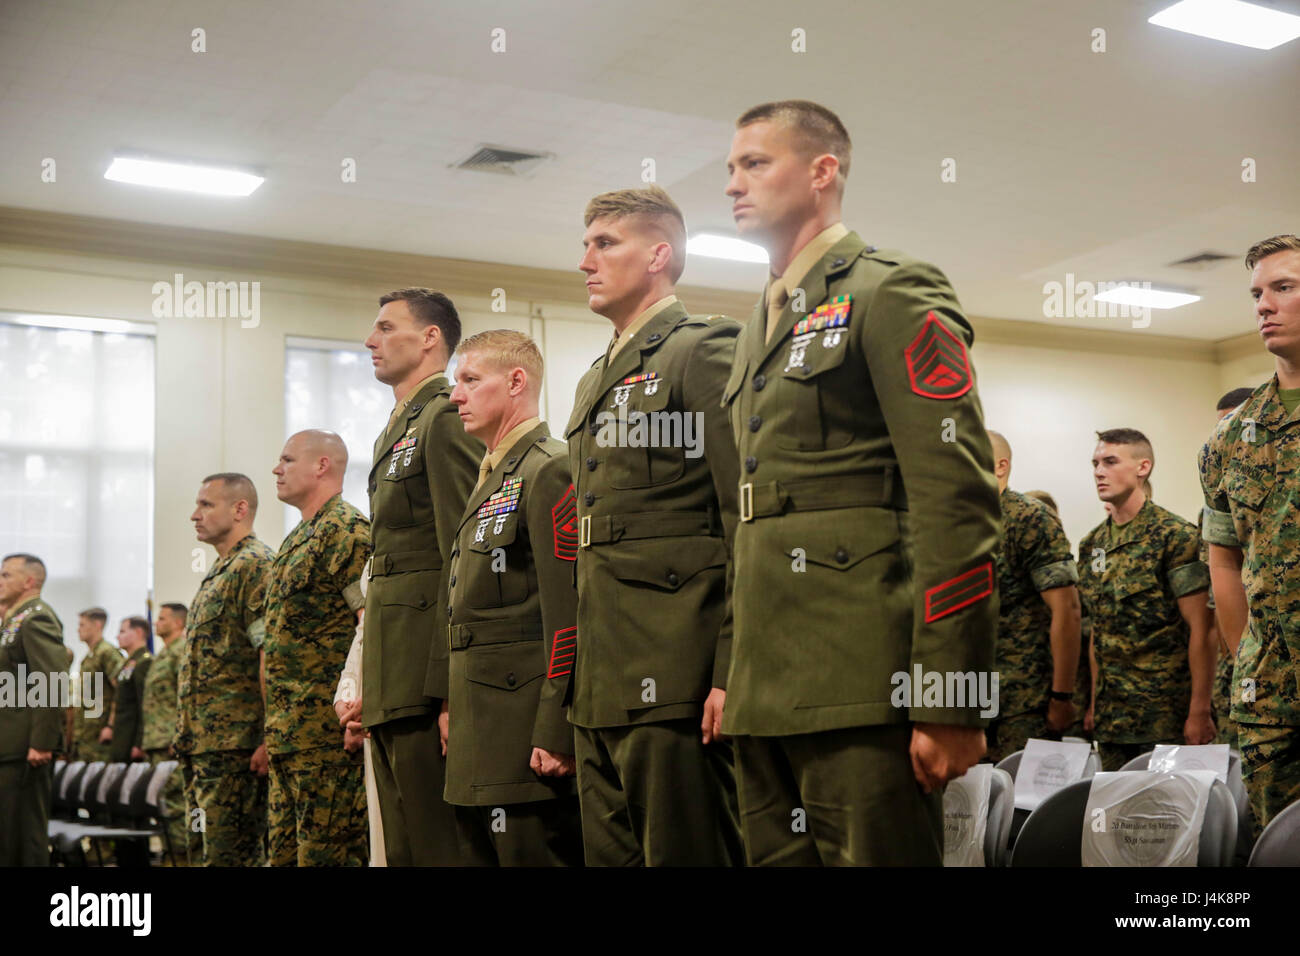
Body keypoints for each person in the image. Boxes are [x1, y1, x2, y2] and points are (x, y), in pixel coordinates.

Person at [719, 100, 999, 865]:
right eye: (730, 168)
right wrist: (730, 676)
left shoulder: (891, 291)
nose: (734, 184)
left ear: (822, 171)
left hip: (865, 677)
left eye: (755, 163)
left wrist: (952, 695)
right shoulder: (756, 327)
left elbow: (958, 500)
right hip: (764, 691)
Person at [566, 185, 744, 866]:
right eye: (586, 245)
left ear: (659, 255)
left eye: (605, 243)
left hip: (676, 671)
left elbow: (742, 516)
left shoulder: (700, 349)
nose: (586, 261)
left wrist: (731, 671)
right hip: (602, 677)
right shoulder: (595, 379)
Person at [442, 330, 584, 865]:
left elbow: (565, 610)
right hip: (481, 728)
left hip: (525, 732)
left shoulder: (548, 467)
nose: (457, 395)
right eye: (458, 381)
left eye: (471, 380)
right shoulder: (491, 476)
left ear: (516, 382)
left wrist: (556, 727)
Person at [361, 288, 482, 865]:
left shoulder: (444, 417)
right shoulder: (398, 427)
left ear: (431, 337)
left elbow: (462, 558)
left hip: (422, 670)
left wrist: (448, 688)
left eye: (386, 328)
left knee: (436, 845)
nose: (371, 340)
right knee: (404, 843)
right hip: (392, 668)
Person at [1200, 234, 1300, 832]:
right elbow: (1223, 562)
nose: (1264, 304)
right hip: (1272, 706)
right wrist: (1248, 663)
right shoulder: (1231, 437)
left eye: (1284, 288)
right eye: (1257, 293)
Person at [262, 429, 370, 866]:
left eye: (287, 459)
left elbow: (370, 625)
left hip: (327, 740)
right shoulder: (294, 540)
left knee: (329, 859)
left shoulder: (345, 532)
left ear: (321, 466)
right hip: (288, 739)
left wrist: (359, 707)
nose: (277, 468)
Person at [1079, 429, 1214, 771]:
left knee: (1163, 818)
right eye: (1095, 463)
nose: (1099, 471)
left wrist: (1199, 709)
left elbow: (1202, 628)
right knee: (1114, 816)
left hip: (1163, 713)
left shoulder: (1174, 536)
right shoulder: (1092, 544)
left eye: (1110, 462)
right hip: (1112, 717)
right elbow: (1099, 627)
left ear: (1143, 467)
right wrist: (1095, 702)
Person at [179, 473, 272, 866]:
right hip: (205, 746)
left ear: (239, 509)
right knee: (204, 855)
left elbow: (270, 653)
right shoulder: (220, 571)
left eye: (205, 505)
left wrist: (270, 735)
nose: (194, 515)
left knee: (231, 858)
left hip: (237, 747)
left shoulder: (255, 565)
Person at [984, 431, 1081, 763]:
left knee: (1020, 805)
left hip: (1022, 698)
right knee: (963, 809)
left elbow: (1067, 611)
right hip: (962, 695)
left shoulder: (1028, 517)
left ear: (1000, 467)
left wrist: (1061, 696)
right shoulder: (954, 523)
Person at [0, 554, 66, 866]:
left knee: (24, 838)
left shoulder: (37, 617)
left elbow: (50, 679)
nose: (0, 581)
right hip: (10, 744)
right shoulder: (16, 619)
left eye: (6, 575)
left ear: (29, 581)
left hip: (25, 746)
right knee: (8, 838)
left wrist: (42, 741)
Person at [141, 602, 190, 861]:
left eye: (162, 619)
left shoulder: (180, 651)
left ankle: (182, 859)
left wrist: (179, 734)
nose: (155, 623)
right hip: (156, 740)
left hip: (170, 740)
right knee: (164, 804)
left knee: (175, 805)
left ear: (178, 623)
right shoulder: (163, 653)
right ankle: (173, 856)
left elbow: (186, 695)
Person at [72, 606, 120, 762]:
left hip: (100, 734)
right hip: (86, 734)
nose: (78, 629)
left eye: (82, 625)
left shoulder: (107, 653)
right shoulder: (88, 657)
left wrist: (111, 726)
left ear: (98, 625)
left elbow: (121, 691)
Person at [106, 616, 152, 763]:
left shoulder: (144, 662)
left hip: (131, 738)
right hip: (121, 736)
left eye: (122, 631)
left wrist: (139, 742)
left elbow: (144, 704)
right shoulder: (129, 663)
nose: (117, 636)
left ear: (138, 632)